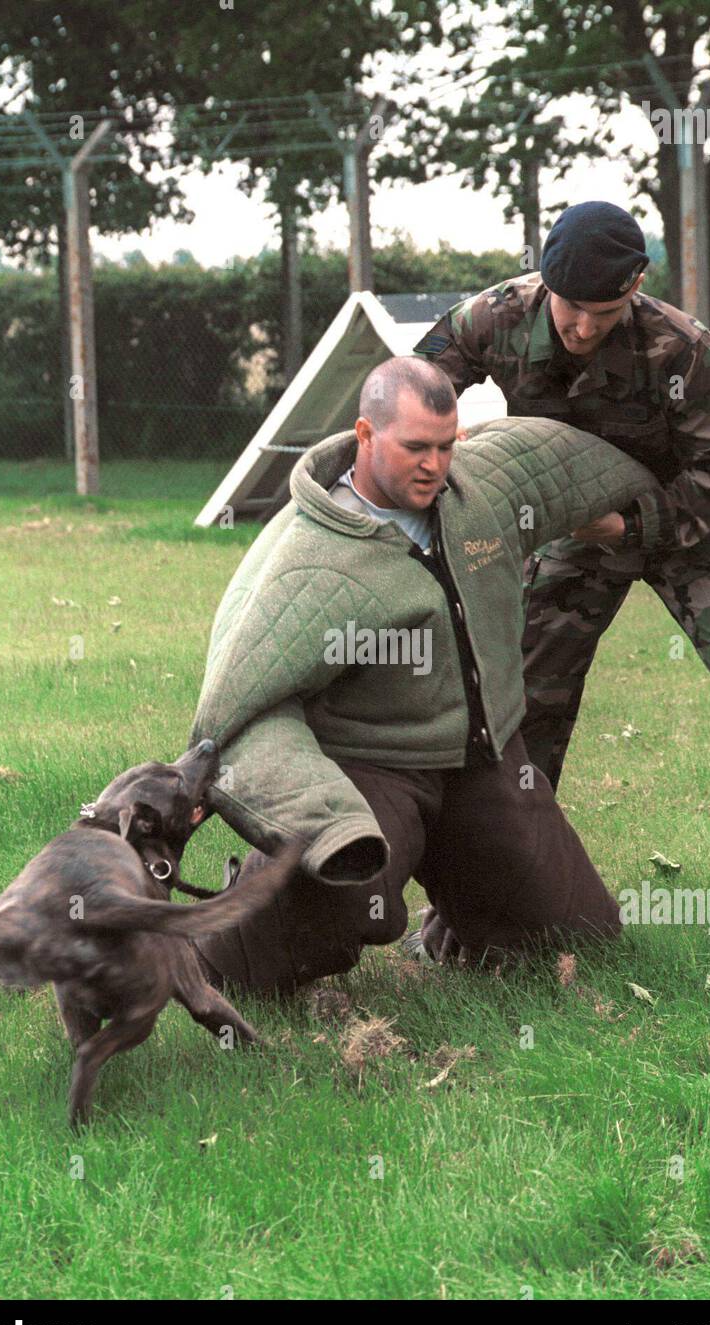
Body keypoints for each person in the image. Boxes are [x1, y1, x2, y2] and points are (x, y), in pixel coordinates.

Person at [186, 356, 654, 995]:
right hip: (370, 769)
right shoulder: (304, 560)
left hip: (484, 761)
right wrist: (322, 821)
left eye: (445, 445)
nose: (434, 465)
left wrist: (660, 502)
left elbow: (585, 464)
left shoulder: (482, 490)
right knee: (340, 892)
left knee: (578, 941)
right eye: (414, 448)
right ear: (366, 435)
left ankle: (455, 931)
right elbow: (236, 712)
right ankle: (215, 946)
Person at [414, 200, 710, 845]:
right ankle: (504, 893)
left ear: (636, 284)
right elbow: (416, 382)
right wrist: (427, 439)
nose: (579, 326)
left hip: (690, 533)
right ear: (545, 282)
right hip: (578, 532)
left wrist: (630, 527)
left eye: (602, 312)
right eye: (568, 304)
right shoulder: (493, 318)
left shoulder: (679, 345)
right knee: (530, 699)